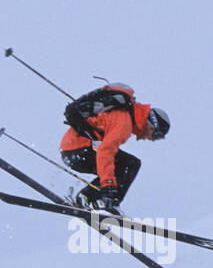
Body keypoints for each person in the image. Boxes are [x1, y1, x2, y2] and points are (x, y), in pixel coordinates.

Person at [59, 82, 171, 213]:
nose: (152, 140)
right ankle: (104, 202)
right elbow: (105, 152)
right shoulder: (124, 124)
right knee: (130, 165)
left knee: (126, 164)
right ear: (151, 125)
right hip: (78, 150)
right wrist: (108, 186)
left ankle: (89, 198)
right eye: (156, 136)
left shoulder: (125, 115)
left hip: (74, 149)